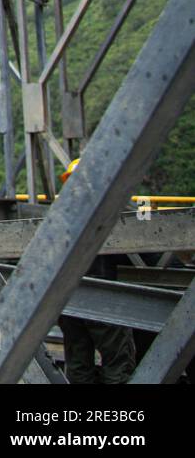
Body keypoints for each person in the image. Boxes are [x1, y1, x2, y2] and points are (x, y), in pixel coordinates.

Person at [55, 159, 136, 382]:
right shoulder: (111, 210)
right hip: (104, 299)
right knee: (117, 362)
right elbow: (146, 249)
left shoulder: (61, 215)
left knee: (79, 363)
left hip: (68, 302)